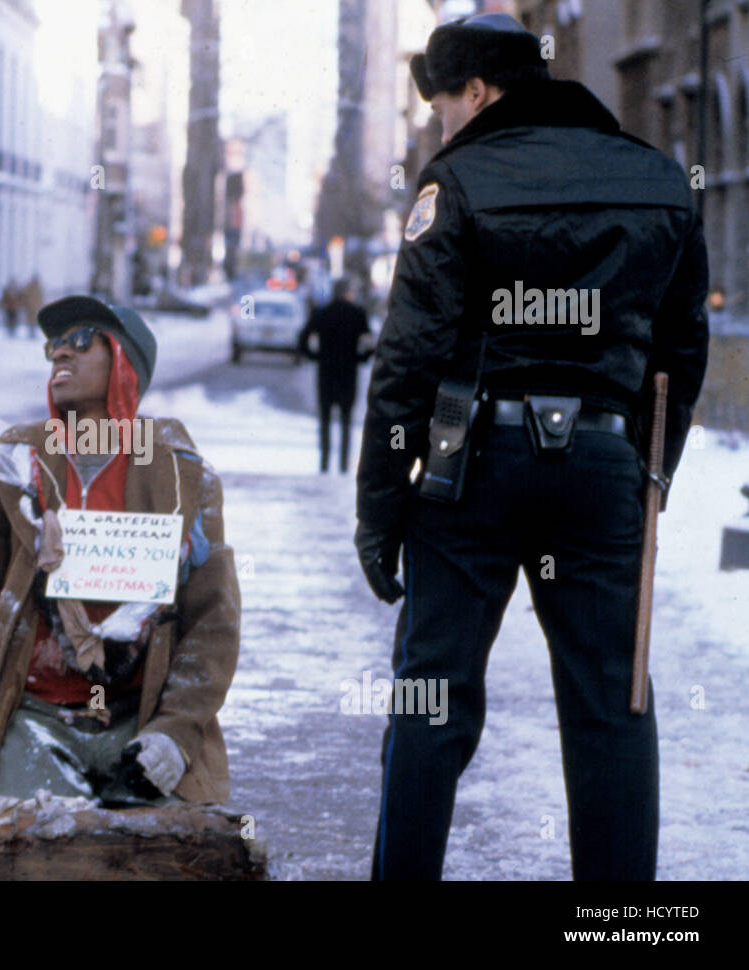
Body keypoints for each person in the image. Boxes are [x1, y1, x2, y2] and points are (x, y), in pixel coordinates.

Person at [355, 13, 708, 880]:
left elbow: (407, 358)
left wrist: (379, 507)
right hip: (602, 466)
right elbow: (681, 353)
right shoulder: (659, 180)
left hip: (472, 463)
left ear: (477, 92)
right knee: (611, 706)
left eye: (442, 106)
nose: (440, 124)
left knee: (431, 701)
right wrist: (648, 476)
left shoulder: (458, 180)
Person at [0, 295, 241, 809]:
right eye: (53, 346)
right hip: (33, 719)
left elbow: (214, 621)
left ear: (124, 361)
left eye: (79, 340)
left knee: (149, 856)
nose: (59, 356)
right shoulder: (13, 467)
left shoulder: (183, 477)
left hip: (139, 723)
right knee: (38, 841)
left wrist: (175, 735)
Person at [298, 277, 372, 474]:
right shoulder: (357, 314)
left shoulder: (322, 313)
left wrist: (315, 356)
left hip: (326, 371)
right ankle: (344, 465)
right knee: (346, 420)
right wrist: (361, 358)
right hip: (348, 372)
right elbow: (369, 343)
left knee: (325, 419)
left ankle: (324, 463)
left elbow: (303, 338)